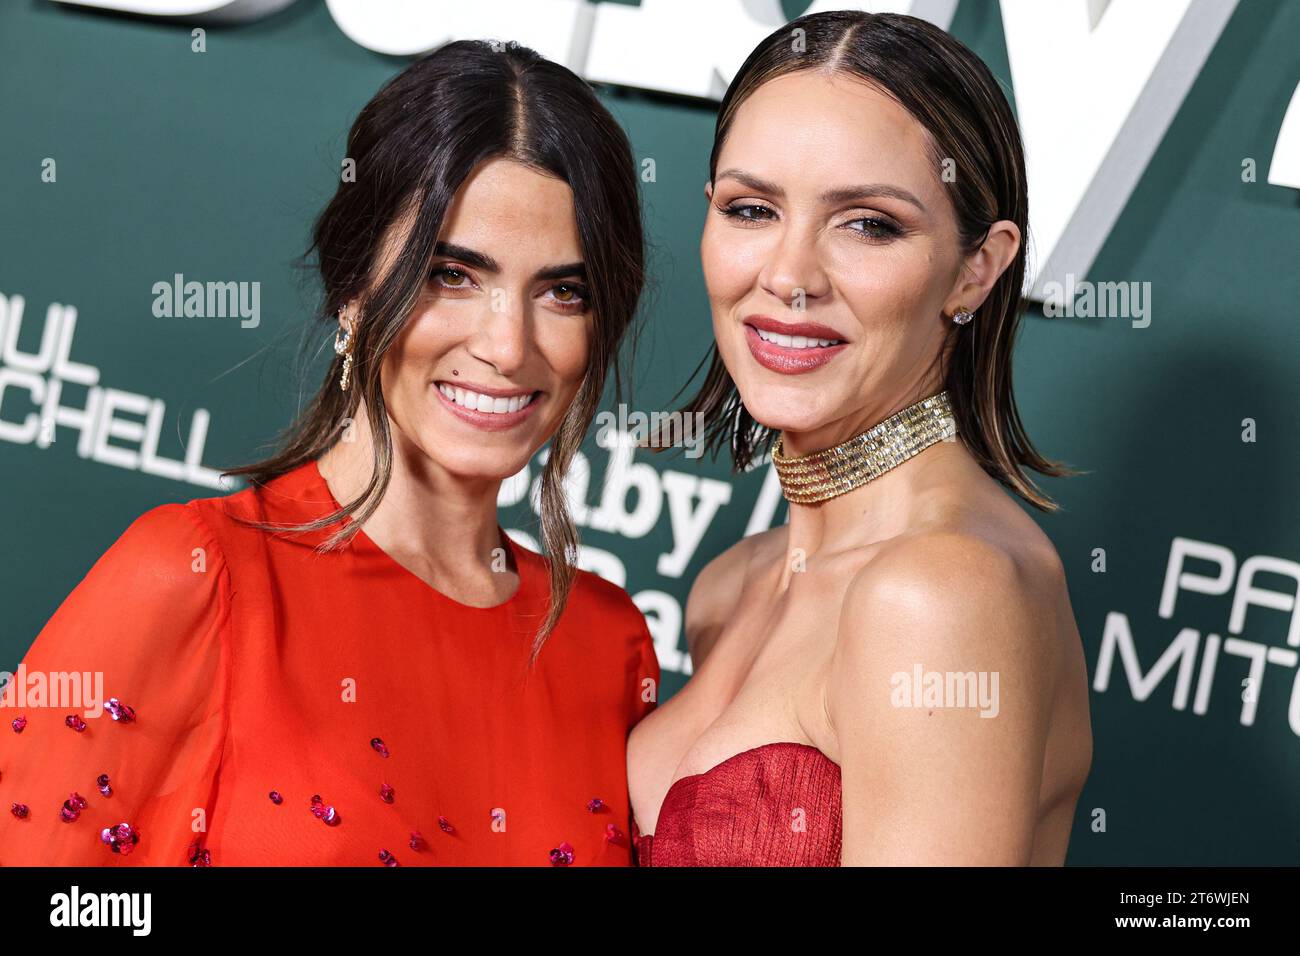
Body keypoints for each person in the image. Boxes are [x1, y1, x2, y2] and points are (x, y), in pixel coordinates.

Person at [0, 39, 658, 866]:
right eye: (450, 274)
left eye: (563, 292)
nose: (507, 344)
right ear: (353, 288)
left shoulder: (608, 645)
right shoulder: (198, 576)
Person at [628, 10, 1093, 866]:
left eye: (869, 224)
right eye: (751, 208)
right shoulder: (731, 588)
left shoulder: (942, 595)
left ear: (976, 268)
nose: (789, 276)